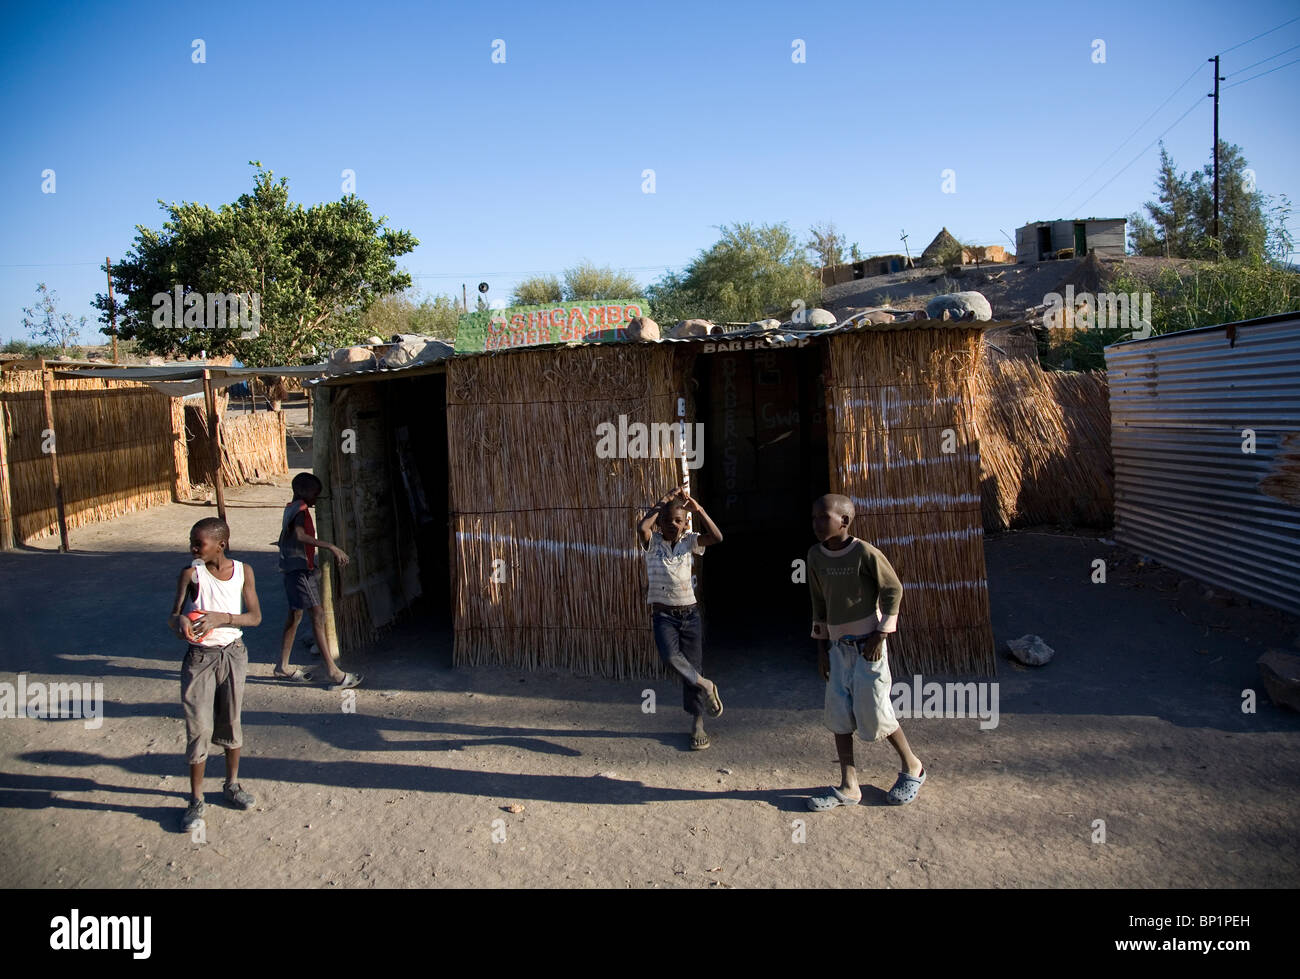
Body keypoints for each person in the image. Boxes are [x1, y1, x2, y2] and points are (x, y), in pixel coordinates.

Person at [805, 494, 925, 810]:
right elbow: (818, 602)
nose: (816, 523)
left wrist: (881, 634)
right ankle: (849, 785)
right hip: (837, 650)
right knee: (839, 714)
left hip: (868, 649)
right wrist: (821, 649)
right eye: (814, 517)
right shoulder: (815, 556)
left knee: (875, 711)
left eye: (823, 517)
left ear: (844, 521)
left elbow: (893, 589)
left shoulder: (864, 553)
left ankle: (913, 765)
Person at [167, 518, 262, 831]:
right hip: (200, 658)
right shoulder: (191, 574)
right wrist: (180, 624)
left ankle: (231, 785)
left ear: (221, 545)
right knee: (199, 729)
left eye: (200, 543)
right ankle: (195, 800)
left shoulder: (243, 572)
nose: (193, 548)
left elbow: (255, 617)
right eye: (192, 542)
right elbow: (173, 615)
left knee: (231, 722)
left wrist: (223, 618)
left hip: (233, 654)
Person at [638, 486, 724, 750]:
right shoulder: (652, 544)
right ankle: (707, 685)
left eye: (678, 520)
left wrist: (698, 510)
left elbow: (717, 537)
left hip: (689, 614)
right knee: (670, 657)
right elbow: (643, 527)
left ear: (686, 523)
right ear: (660, 523)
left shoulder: (690, 541)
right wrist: (662, 503)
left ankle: (698, 723)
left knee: (692, 668)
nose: (672, 524)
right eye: (667, 520)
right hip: (663, 615)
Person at [277, 472, 361, 690]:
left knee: (295, 615)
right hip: (300, 570)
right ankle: (334, 673)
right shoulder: (300, 512)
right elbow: (300, 536)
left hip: (290, 567)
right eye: (315, 494)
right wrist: (331, 546)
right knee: (318, 615)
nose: (317, 499)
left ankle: (283, 666)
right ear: (304, 492)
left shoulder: (290, 507)